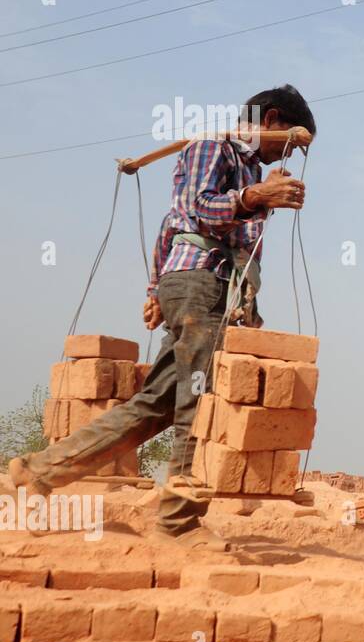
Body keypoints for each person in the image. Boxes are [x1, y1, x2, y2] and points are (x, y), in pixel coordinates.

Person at [7, 85, 316, 551]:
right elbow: (196, 208)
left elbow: (169, 227)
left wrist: (157, 287)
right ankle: (178, 522)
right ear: (271, 118)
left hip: (205, 288)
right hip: (199, 284)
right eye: (291, 142)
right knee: (199, 400)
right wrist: (255, 196)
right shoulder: (213, 146)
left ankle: (37, 472)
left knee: (158, 405)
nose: (285, 158)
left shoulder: (249, 165)